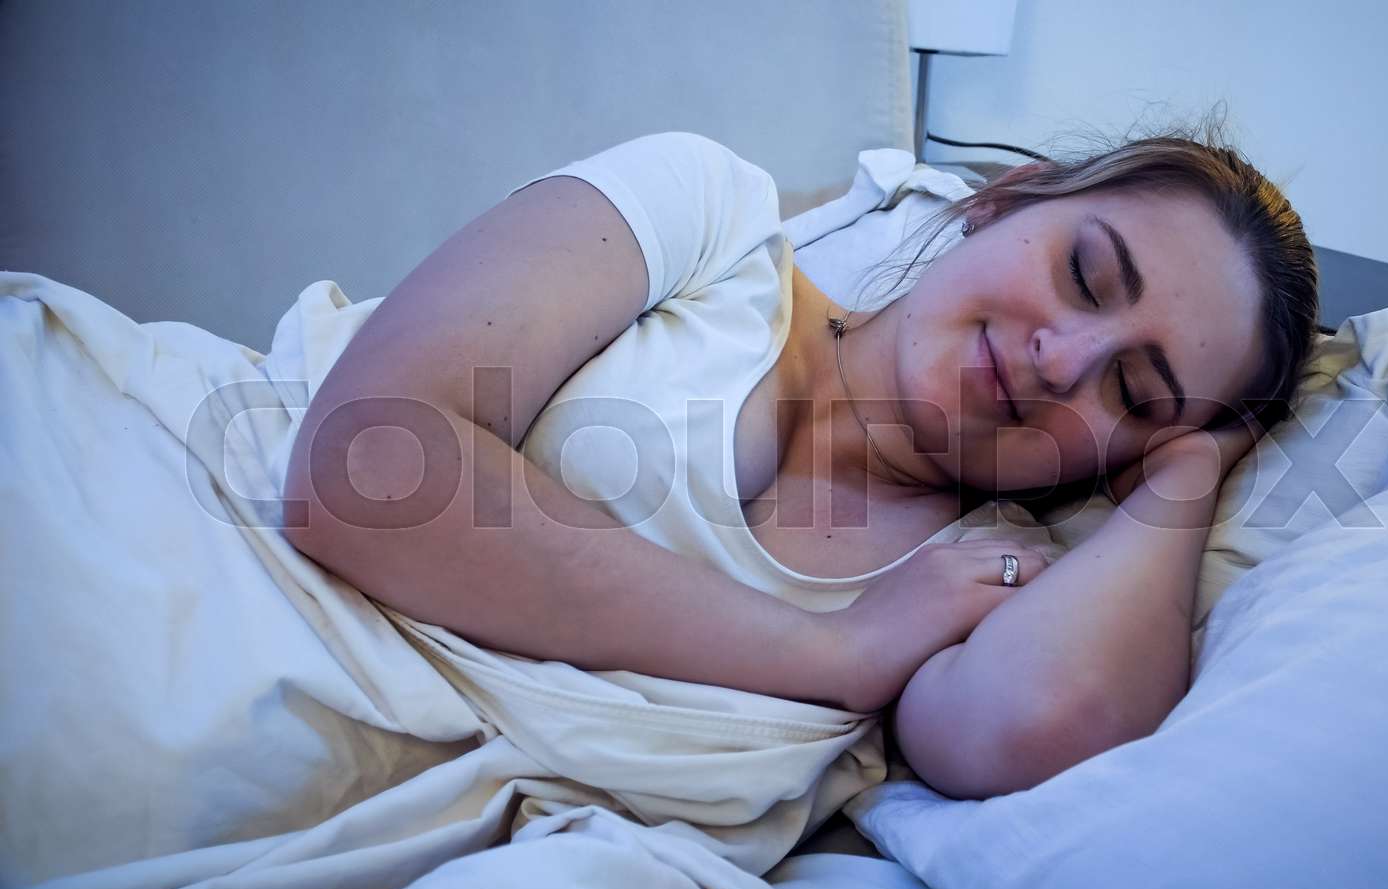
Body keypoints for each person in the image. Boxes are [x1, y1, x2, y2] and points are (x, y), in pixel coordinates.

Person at [281, 128, 1318, 800]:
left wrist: (1190, 474)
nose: (1064, 360)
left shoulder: (990, 573)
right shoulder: (709, 224)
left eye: (1133, 396)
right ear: (1004, 201)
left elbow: (1034, 734)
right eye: (1083, 276)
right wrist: (825, 652)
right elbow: (366, 466)